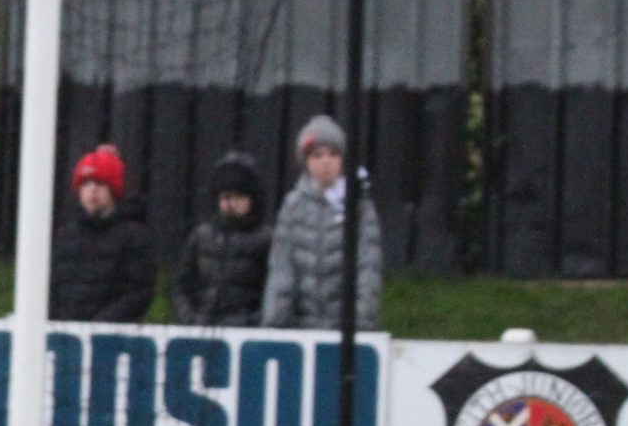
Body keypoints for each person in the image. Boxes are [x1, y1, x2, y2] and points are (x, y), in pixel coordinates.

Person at [262, 114, 382, 331]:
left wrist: (362, 321)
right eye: (317, 155)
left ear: (342, 159)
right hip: (300, 329)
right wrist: (275, 323)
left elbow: (368, 267)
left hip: (347, 330)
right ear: (306, 162)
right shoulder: (292, 206)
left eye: (333, 154)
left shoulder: (360, 206)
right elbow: (282, 269)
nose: (326, 161)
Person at [48, 143, 156, 323]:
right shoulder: (66, 234)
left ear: (113, 189)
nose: (92, 189)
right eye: (85, 183)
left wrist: (102, 323)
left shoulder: (134, 236)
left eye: (100, 183)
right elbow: (53, 286)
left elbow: (138, 291)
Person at [171, 151, 272, 327]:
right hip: (201, 331)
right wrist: (191, 319)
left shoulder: (266, 240)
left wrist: (248, 323)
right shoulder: (201, 237)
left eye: (238, 197)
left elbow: (273, 295)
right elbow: (181, 287)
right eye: (225, 197)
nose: (230, 203)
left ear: (252, 199)